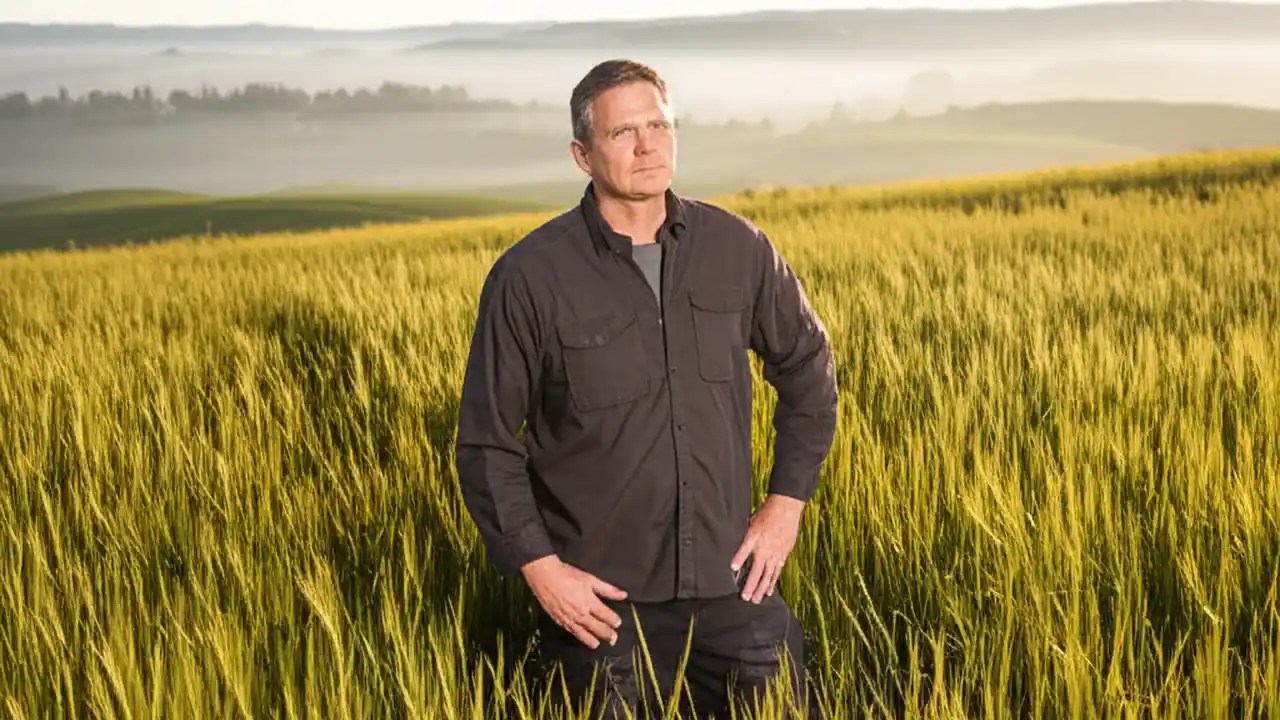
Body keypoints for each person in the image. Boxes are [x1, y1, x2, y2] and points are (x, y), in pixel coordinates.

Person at [454, 58, 838, 719]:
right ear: (582, 154)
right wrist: (543, 573)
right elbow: (486, 443)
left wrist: (787, 504)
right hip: (601, 607)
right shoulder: (530, 278)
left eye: (659, 123)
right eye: (623, 131)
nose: (647, 144)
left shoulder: (737, 248)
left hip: (733, 588)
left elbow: (809, 367)